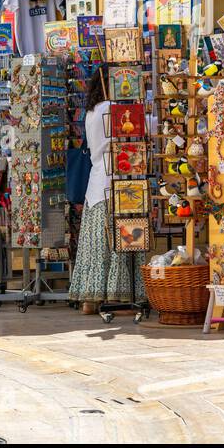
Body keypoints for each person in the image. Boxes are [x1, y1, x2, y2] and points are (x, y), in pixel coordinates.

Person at [67, 71, 144, 313]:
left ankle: (90, 298)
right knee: (120, 240)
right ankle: (123, 295)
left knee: (94, 246)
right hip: (116, 181)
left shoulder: (92, 111)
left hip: (96, 185)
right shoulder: (112, 108)